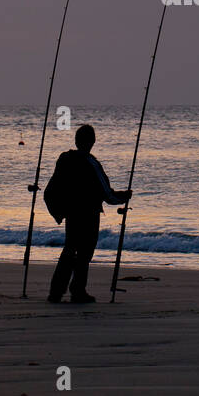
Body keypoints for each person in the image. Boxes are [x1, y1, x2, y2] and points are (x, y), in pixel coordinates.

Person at [44, 124, 130, 303]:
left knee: (69, 250)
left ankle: (56, 291)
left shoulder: (65, 160)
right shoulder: (91, 163)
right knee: (84, 252)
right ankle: (77, 291)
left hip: (71, 214)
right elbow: (107, 194)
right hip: (89, 215)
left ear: (77, 141)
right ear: (92, 142)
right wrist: (124, 197)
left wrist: (59, 211)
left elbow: (54, 187)